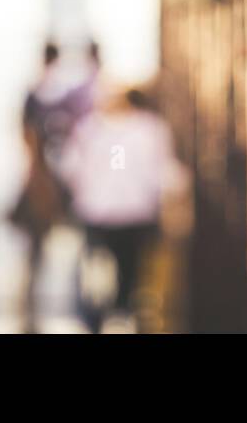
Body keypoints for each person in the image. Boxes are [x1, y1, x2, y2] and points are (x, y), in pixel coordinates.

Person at [58, 87, 187, 332]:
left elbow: (69, 168)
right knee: (130, 273)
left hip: (99, 213)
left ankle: (99, 318)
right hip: (135, 213)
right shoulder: (151, 129)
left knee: (96, 271)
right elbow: (166, 173)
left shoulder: (89, 129)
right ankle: (122, 314)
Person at [9, 43, 76, 332]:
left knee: (39, 241)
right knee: (39, 240)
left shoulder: (47, 93)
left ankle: (33, 301)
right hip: (48, 173)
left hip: (49, 173)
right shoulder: (53, 94)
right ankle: (31, 302)